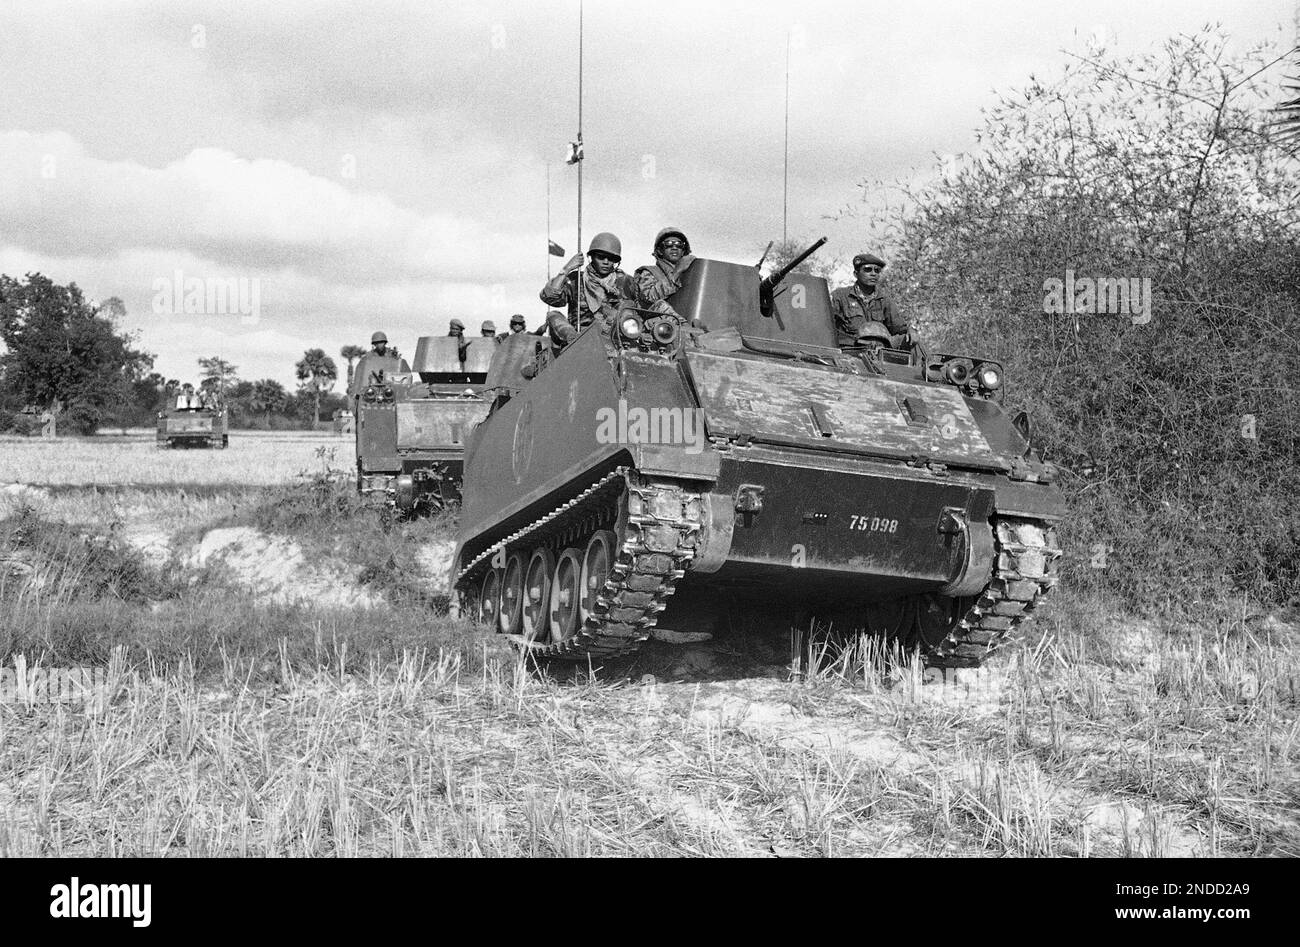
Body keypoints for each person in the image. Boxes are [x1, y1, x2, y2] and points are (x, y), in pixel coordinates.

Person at [539, 232, 680, 349]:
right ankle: (574, 342)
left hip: (618, 337)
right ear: (591, 257)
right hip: (581, 338)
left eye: (611, 258)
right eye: (601, 257)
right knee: (553, 315)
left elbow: (649, 303)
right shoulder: (576, 280)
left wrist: (680, 322)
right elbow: (550, 297)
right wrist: (566, 269)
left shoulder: (626, 281)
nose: (606, 262)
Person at [830, 252, 915, 349]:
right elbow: (826, 326)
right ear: (856, 274)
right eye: (867, 269)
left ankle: (931, 364)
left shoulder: (884, 300)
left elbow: (899, 328)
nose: (873, 273)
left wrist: (911, 331)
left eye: (877, 270)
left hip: (878, 353)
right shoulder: (840, 296)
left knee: (915, 341)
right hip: (849, 351)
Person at [635, 227, 696, 304]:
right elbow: (648, 298)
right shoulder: (650, 272)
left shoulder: (690, 274)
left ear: (683, 251)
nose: (674, 248)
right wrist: (677, 273)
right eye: (668, 244)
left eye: (679, 245)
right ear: (660, 250)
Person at [350, 331, 410, 396]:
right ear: (374, 344)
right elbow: (358, 379)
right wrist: (356, 393)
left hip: (393, 393)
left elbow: (407, 377)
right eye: (377, 343)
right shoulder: (366, 359)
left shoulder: (396, 358)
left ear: (385, 343)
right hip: (369, 393)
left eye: (381, 342)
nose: (379, 345)